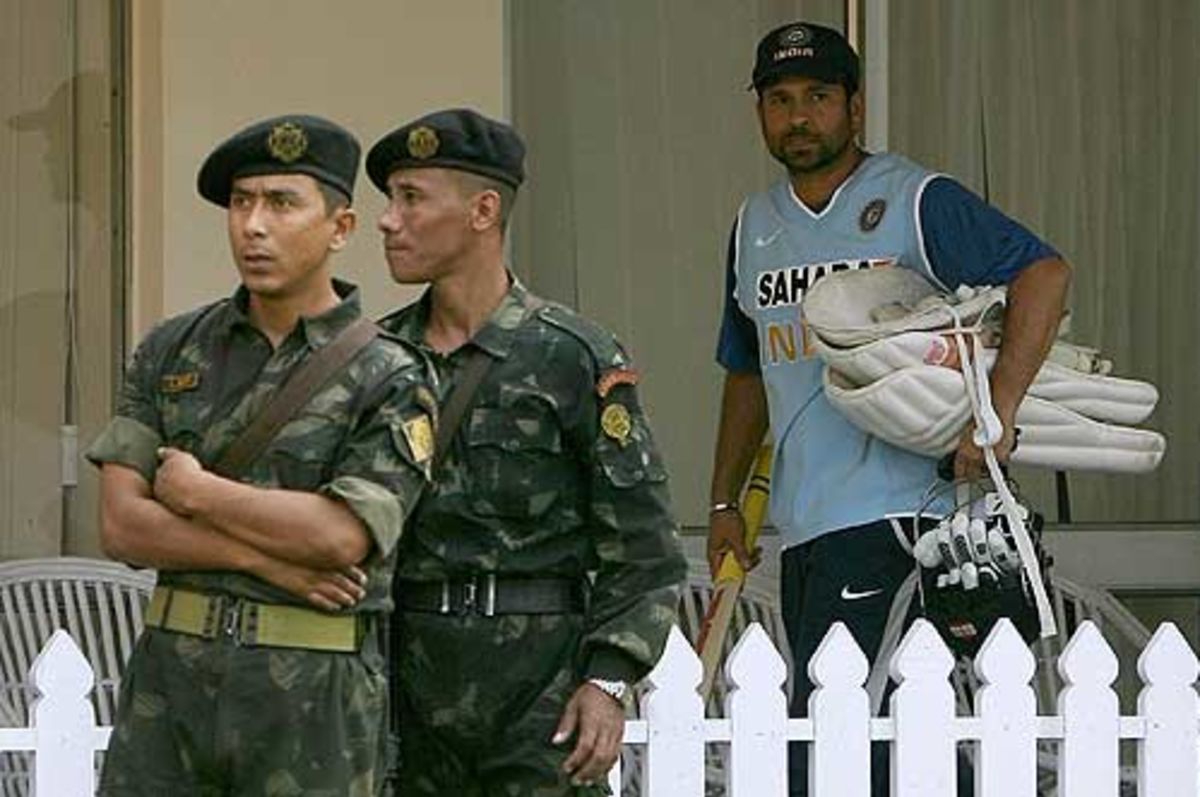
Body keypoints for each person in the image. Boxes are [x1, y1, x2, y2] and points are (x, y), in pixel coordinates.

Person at [705, 22, 1072, 797]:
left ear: (855, 106)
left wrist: (996, 411)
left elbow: (1044, 272)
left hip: (899, 519)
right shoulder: (753, 227)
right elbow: (747, 371)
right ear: (759, 112)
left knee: (851, 753)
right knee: (889, 746)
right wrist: (722, 500)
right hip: (807, 526)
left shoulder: (914, 199)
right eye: (780, 100)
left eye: (818, 97)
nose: (799, 116)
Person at [86, 114, 437, 797]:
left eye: (281, 203)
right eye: (241, 202)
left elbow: (341, 534)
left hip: (312, 696)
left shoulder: (388, 374)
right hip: (171, 688)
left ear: (340, 228)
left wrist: (199, 494)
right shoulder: (171, 350)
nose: (253, 225)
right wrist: (265, 556)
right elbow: (123, 527)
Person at [366, 108, 687, 795]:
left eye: (411, 198)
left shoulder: (571, 356)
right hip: (407, 692)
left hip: (541, 693)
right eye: (389, 200)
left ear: (483, 210)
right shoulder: (376, 361)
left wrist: (608, 678)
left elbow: (645, 546)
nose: (387, 220)